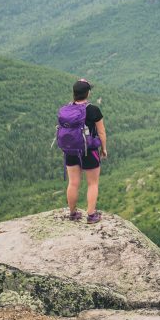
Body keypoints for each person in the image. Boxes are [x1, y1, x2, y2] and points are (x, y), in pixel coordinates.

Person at [64, 78, 107, 223]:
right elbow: (101, 133)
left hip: (71, 151)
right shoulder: (93, 110)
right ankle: (91, 215)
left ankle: (73, 213)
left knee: (73, 183)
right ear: (87, 93)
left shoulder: (67, 109)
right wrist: (104, 149)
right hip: (89, 151)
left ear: (74, 93)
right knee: (92, 183)